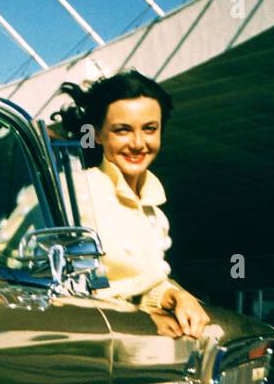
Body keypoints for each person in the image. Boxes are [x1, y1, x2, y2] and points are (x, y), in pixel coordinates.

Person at [52, 72, 211, 339]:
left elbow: (137, 283)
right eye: (122, 130)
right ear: (99, 134)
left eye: (149, 129)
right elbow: (5, 269)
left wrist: (176, 295)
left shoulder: (154, 215)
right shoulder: (73, 191)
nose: (138, 144)